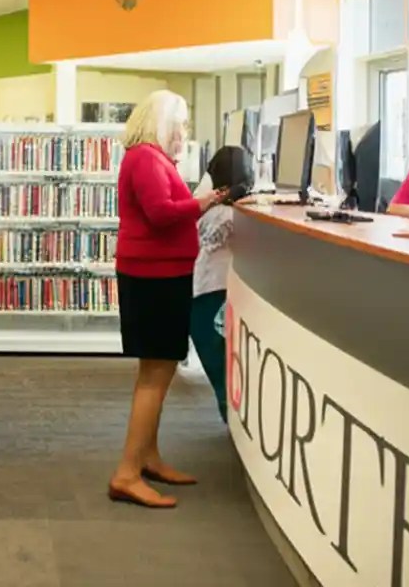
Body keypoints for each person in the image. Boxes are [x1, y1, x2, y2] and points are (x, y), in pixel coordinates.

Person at [109, 90, 222, 509]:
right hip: (153, 277)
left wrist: (194, 202)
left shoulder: (151, 159)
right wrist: (203, 202)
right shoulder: (145, 158)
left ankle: (147, 457)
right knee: (155, 376)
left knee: (156, 372)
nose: (185, 132)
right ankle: (126, 472)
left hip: (159, 274)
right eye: (182, 123)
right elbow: (160, 213)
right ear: (164, 122)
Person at [190, 146, 254, 424]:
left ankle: (231, 422)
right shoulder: (228, 217)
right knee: (224, 372)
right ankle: (232, 423)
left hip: (202, 293)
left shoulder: (213, 208)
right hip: (210, 295)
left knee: (221, 373)